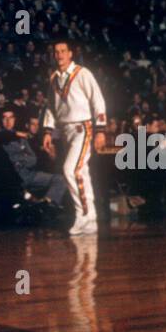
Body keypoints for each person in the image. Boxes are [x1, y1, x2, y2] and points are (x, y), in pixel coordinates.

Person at [41, 40, 106, 236]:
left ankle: (82, 214)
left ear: (70, 54)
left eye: (63, 51)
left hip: (82, 128)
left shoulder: (83, 74)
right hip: (65, 131)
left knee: (71, 170)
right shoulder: (54, 78)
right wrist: (47, 131)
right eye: (56, 51)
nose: (59, 54)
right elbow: (51, 107)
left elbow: (98, 100)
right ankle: (91, 219)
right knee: (81, 174)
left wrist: (101, 129)